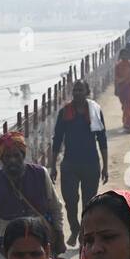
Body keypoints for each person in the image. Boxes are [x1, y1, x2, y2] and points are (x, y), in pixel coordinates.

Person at [0, 130, 65, 259]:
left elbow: (56, 208)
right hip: (7, 252)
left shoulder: (40, 174)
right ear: (1, 159)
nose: (12, 160)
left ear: (23, 156)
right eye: (7, 157)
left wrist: (59, 233)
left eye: (16, 156)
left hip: (41, 247)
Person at [51, 79, 110, 248]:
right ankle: (75, 227)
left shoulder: (95, 111)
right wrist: (53, 165)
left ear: (87, 92)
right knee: (70, 201)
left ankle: (84, 233)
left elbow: (102, 140)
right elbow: (57, 140)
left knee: (88, 202)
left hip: (91, 163)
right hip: (69, 163)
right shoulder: (64, 113)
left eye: (80, 90)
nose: (77, 93)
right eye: (75, 90)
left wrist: (105, 166)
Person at [115, 46, 130, 132]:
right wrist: (116, 88)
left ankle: (128, 124)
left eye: (126, 54)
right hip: (122, 88)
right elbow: (116, 78)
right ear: (121, 55)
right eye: (123, 54)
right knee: (124, 106)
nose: (125, 55)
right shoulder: (118, 65)